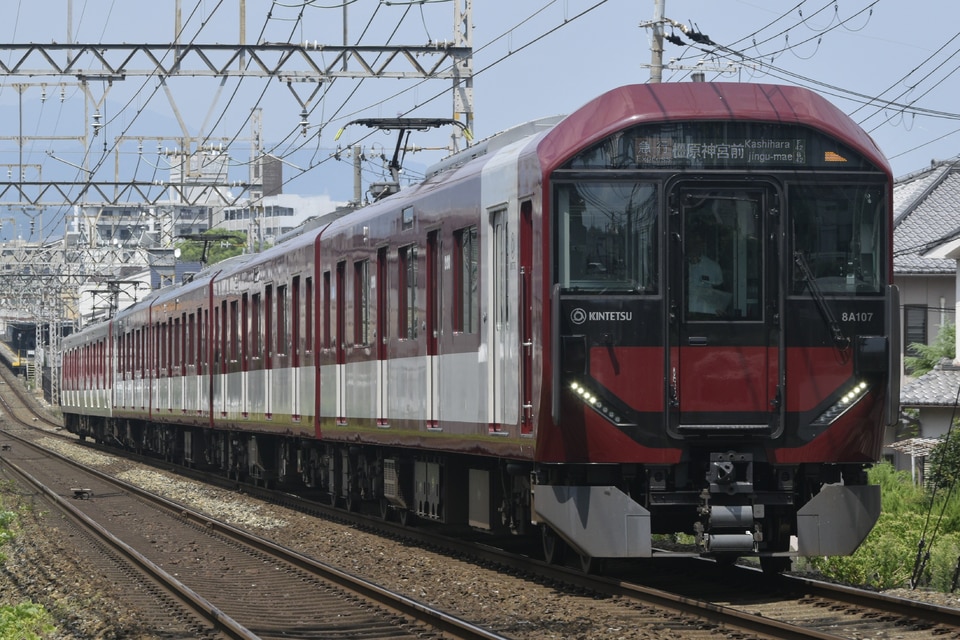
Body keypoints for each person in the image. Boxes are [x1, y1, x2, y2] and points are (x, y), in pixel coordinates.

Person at [687, 232, 729, 316]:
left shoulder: (713, 267)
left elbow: (721, 295)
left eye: (698, 242)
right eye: (692, 242)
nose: (695, 246)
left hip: (708, 318)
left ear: (703, 244)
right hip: (685, 317)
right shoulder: (678, 265)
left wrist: (721, 308)